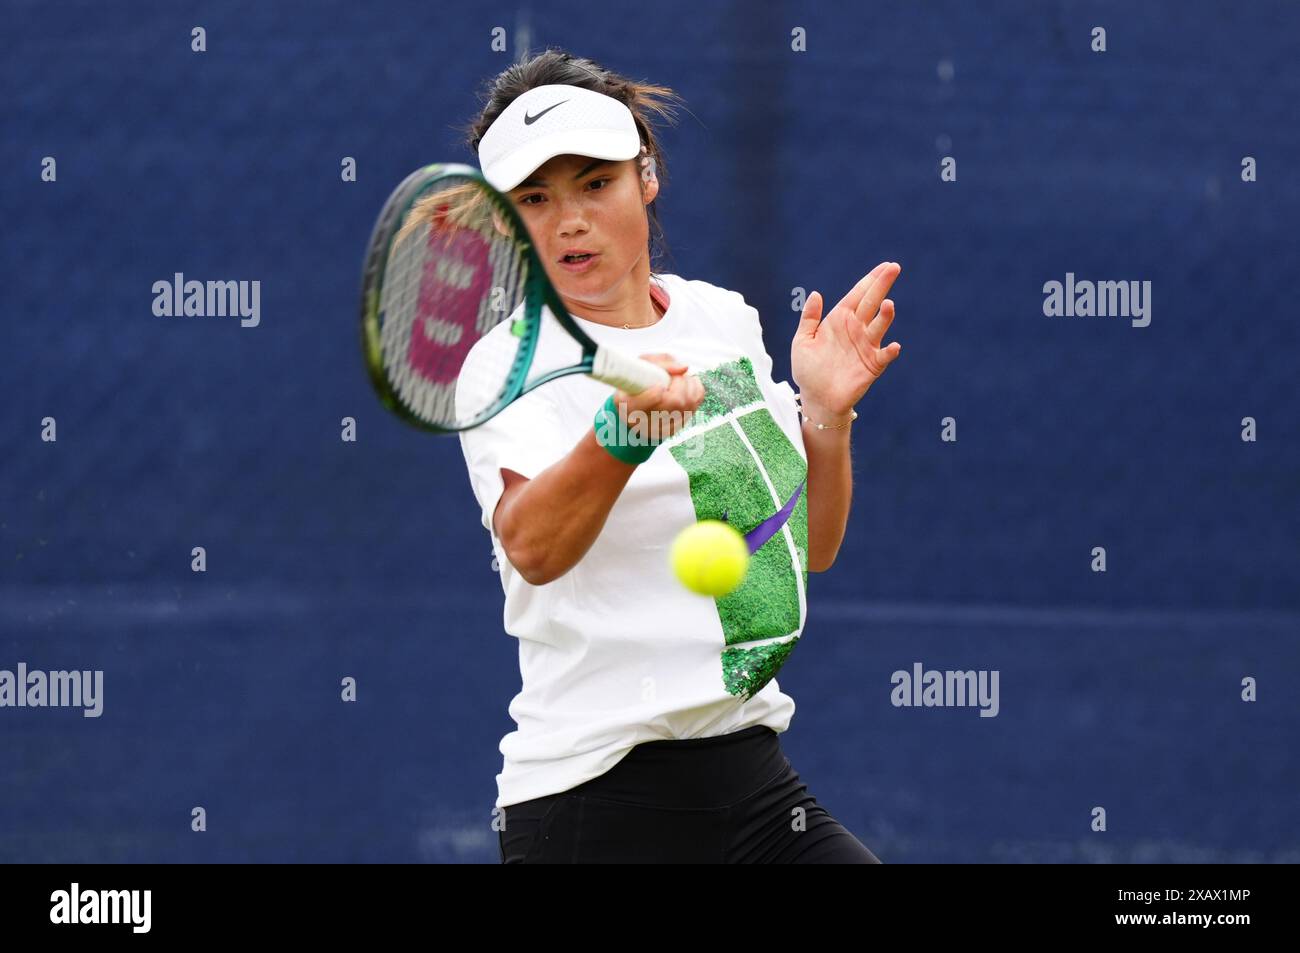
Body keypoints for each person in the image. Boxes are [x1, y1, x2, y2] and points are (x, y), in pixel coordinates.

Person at [456, 49, 902, 863]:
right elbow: (533, 546)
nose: (569, 220)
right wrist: (618, 440)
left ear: (646, 176)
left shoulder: (720, 319)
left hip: (755, 783)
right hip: (592, 802)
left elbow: (811, 546)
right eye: (534, 198)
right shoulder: (506, 363)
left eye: (596, 182)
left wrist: (827, 415)